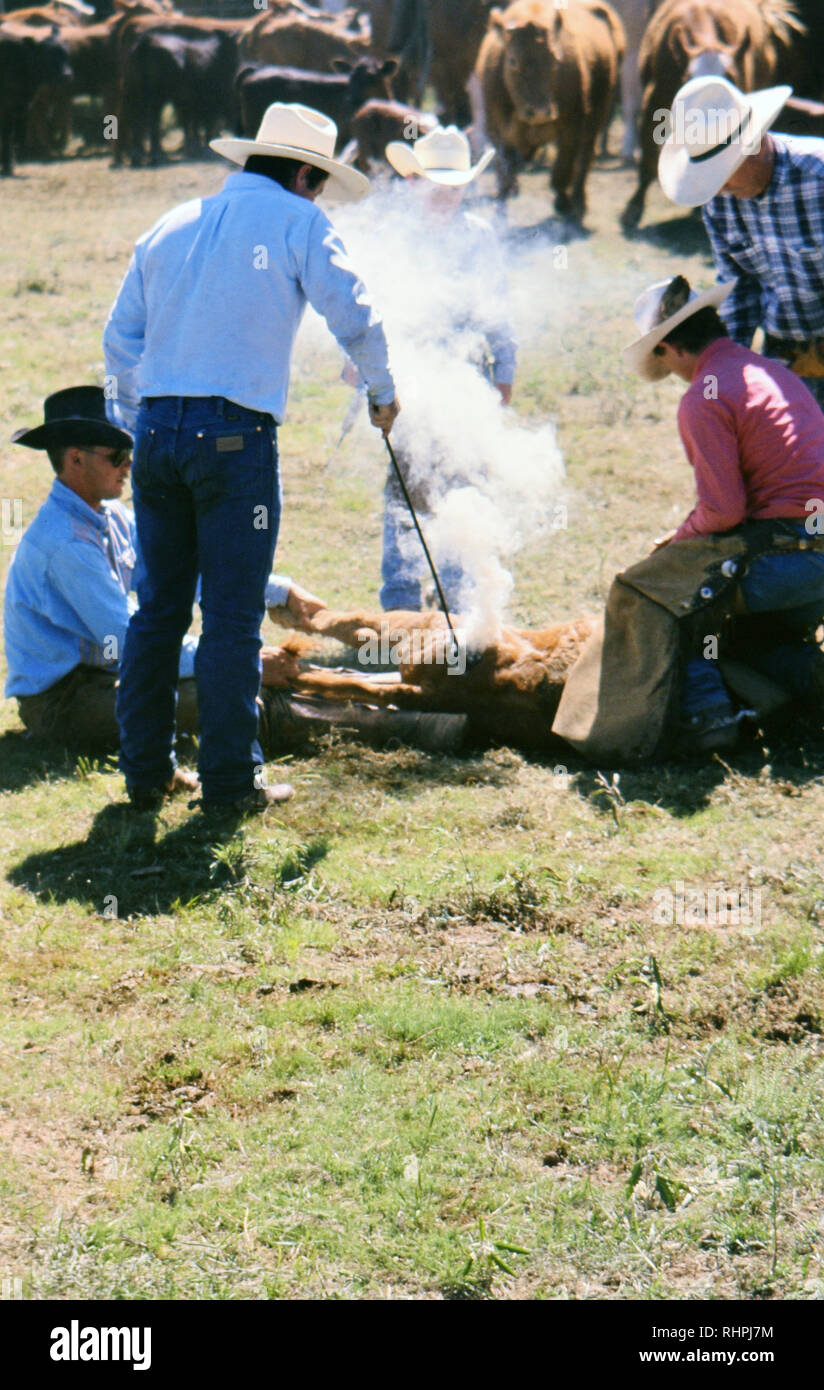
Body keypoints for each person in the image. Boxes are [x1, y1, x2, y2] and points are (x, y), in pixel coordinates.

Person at [103, 103, 400, 816]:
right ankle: (232, 784)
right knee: (233, 619)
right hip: (235, 439)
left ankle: (146, 772)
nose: (318, 196)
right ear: (303, 173)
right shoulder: (299, 222)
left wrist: (133, 424)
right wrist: (382, 392)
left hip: (158, 433)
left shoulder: (172, 222)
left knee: (157, 612)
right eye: (318, 183)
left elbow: (120, 338)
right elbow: (355, 312)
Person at [4, 386, 324, 772]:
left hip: (105, 675)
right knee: (232, 695)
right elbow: (127, 642)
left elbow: (183, 569)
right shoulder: (65, 543)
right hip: (64, 701)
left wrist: (279, 592)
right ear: (75, 459)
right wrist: (235, 661)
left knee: (232, 684)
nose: (128, 466)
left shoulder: (112, 517)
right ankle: (394, 725)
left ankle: (380, 705)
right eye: (117, 456)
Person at [623, 273, 824, 750]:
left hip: (789, 561)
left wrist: (676, 541)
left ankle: (709, 718)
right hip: (812, 558)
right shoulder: (773, 371)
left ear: (670, 349)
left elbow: (723, 511)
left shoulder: (703, 396)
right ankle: (806, 686)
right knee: (749, 641)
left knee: (669, 602)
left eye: (663, 359)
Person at [346, 124, 516, 611]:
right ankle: (400, 600)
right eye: (438, 183)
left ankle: (460, 597)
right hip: (407, 376)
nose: (446, 193)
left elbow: (499, 312)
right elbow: (364, 302)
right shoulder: (397, 237)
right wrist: (354, 359)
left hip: (466, 378)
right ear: (417, 180)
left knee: (462, 480)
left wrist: (504, 371)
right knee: (404, 483)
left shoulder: (479, 239)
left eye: (456, 184)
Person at [657, 75, 824, 406]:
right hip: (786, 357)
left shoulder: (818, 177)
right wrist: (724, 367)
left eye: (724, 172)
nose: (718, 189)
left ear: (757, 143)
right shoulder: (720, 204)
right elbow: (738, 289)